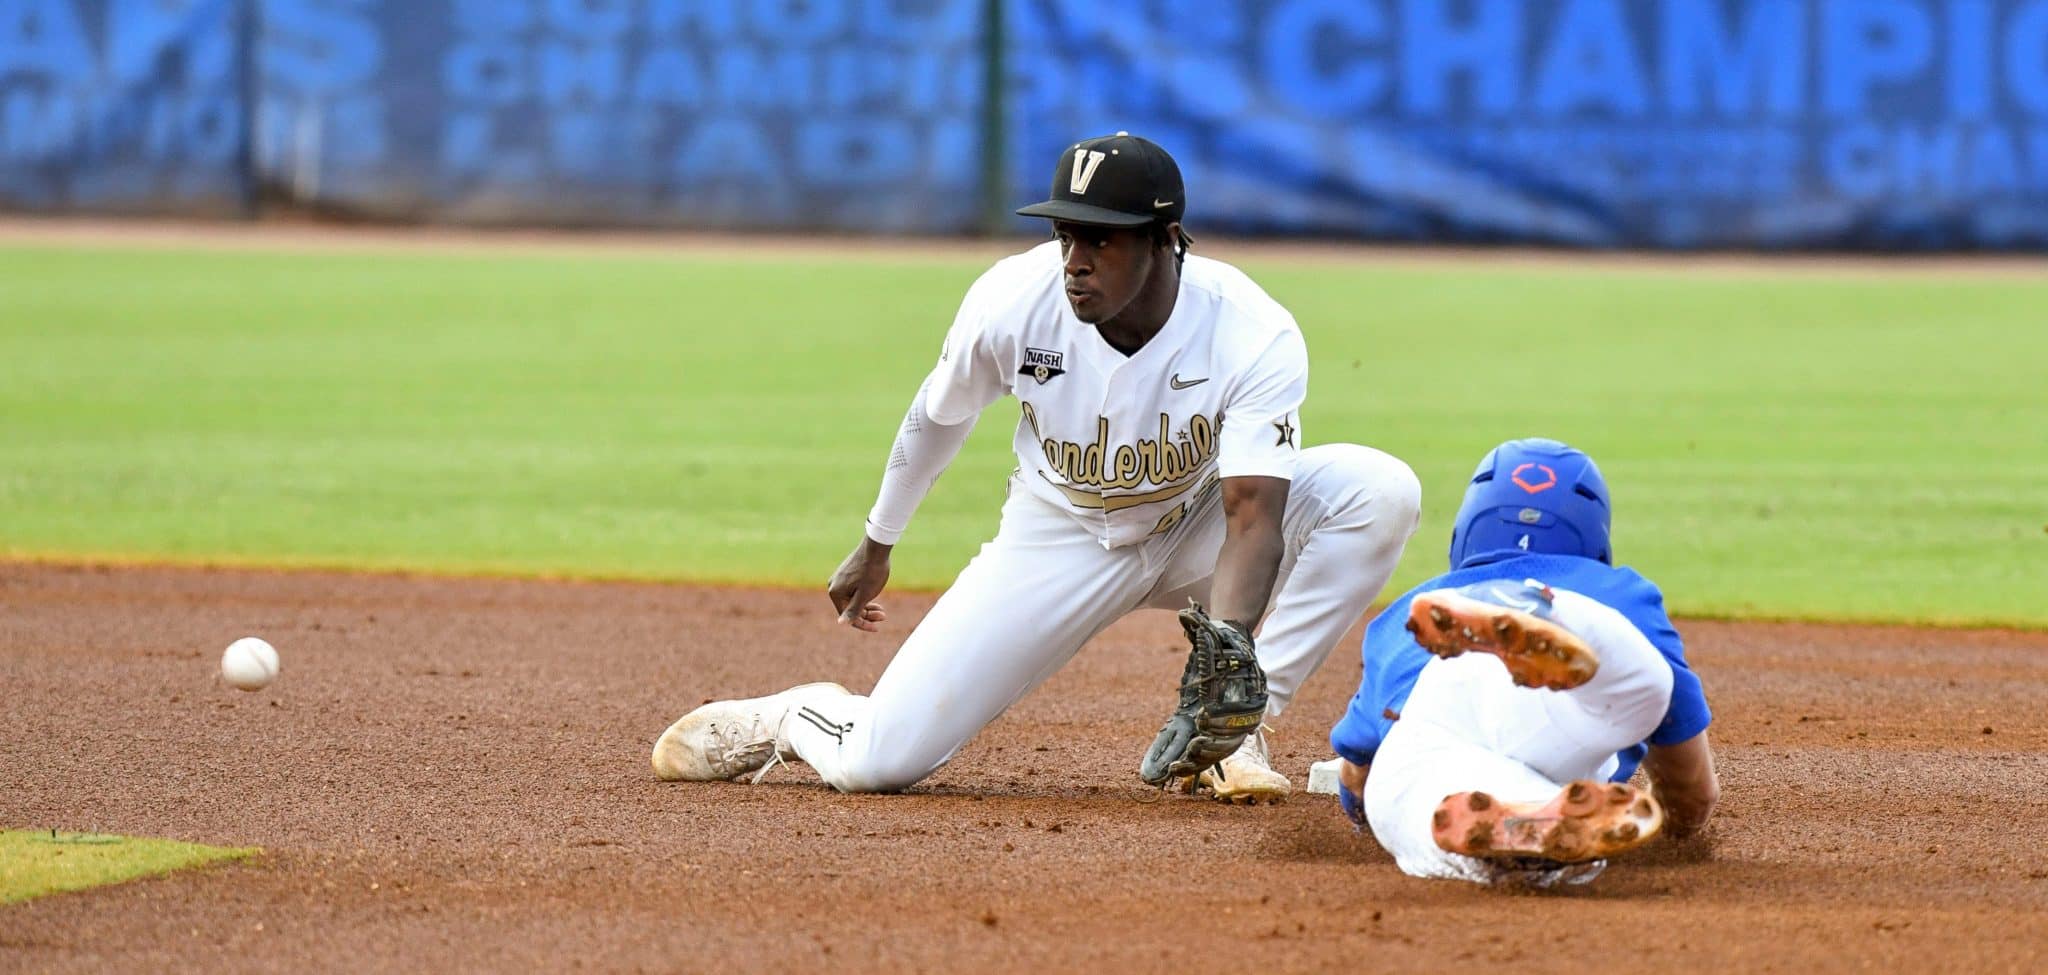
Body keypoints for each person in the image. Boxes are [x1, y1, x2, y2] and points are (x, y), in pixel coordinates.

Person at [652, 133, 1422, 803]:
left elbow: (1253, 511)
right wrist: (878, 537)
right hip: (1058, 537)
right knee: (876, 762)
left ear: (1167, 239)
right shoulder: (1013, 303)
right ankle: (795, 715)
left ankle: (1237, 732)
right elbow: (938, 414)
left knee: (1379, 489)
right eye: (1066, 236)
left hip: (1194, 526)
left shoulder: (1250, 331)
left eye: (1102, 240)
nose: (1076, 262)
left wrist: (1229, 662)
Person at [1328, 438, 1719, 886]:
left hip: (1434, 716)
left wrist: (1363, 815)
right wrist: (1674, 828)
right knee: (1646, 691)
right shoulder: (1626, 593)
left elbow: (1357, 772)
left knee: (1423, 796)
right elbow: (1692, 792)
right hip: (1558, 715)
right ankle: (1560, 616)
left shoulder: (1411, 611)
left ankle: (1520, 823)